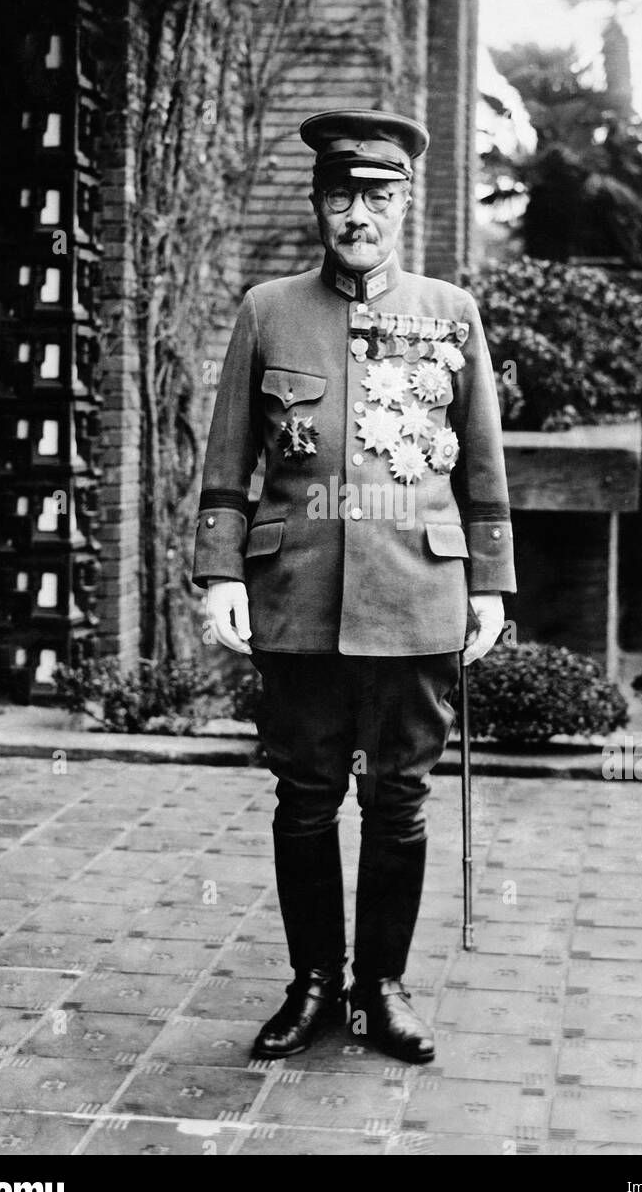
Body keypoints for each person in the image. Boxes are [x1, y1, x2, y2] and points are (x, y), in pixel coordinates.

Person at [194, 109, 516, 1063]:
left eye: (376, 195)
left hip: (417, 590)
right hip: (294, 592)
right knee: (303, 797)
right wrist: (219, 571)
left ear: (403, 203)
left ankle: (379, 987)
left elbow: (484, 468)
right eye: (341, 195)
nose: (357, 213)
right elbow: (228, 460)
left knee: (400, 800)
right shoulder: (269, 310)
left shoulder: (448, 311)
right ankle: (311, 983)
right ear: (318, 203)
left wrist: (490, 586)